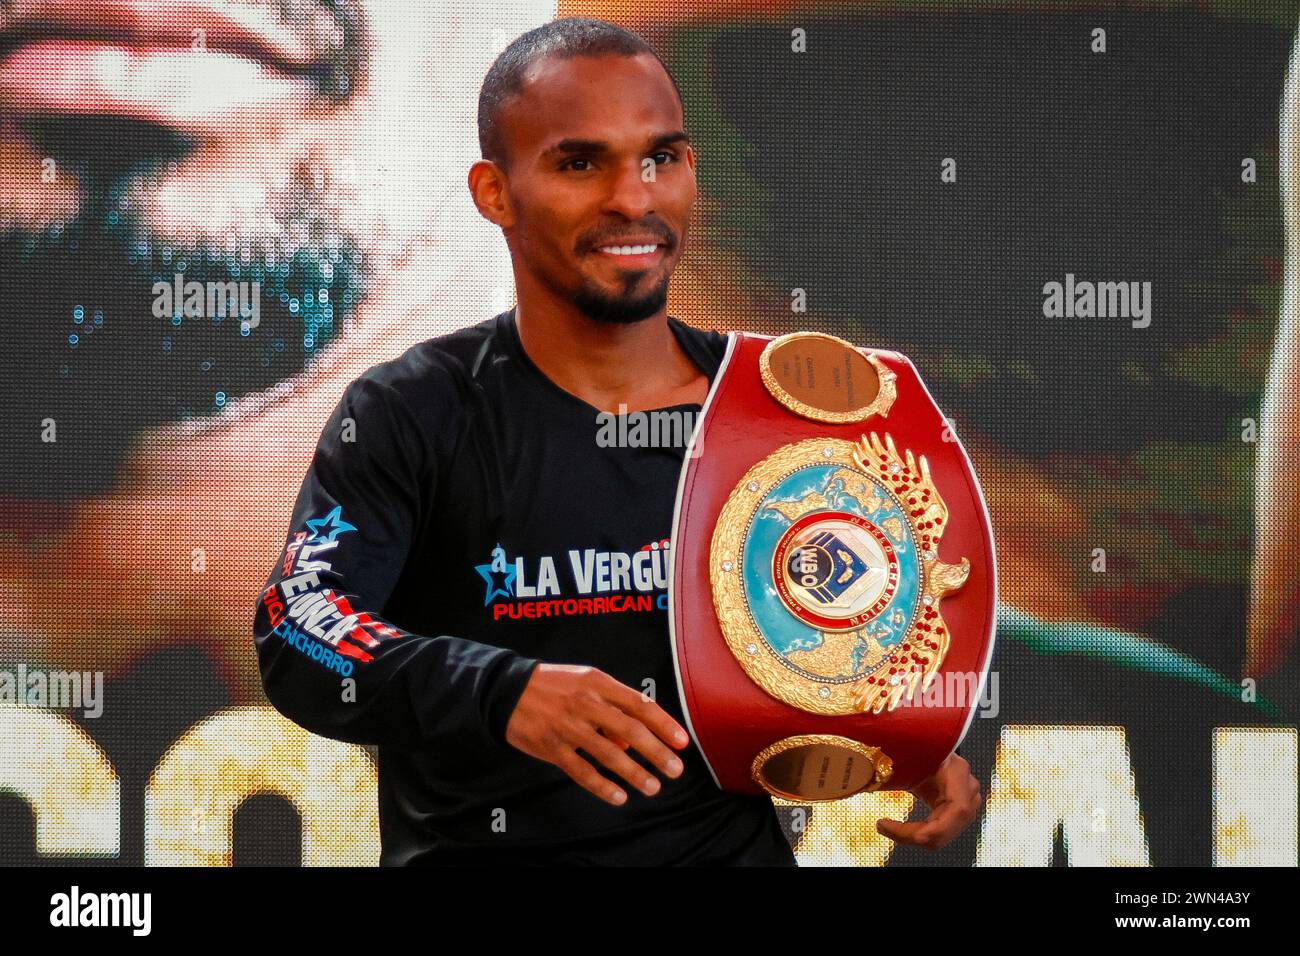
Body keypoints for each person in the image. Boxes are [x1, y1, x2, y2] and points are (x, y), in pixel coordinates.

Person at [252, 17, 982, 866]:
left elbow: (841, 620)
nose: (633, 199)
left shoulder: (781, 406)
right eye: (579, 163)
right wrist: (501, 691)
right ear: (494, 193)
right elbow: (297, 629)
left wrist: (898, 735)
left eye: (660, 158)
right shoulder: (413, 408)